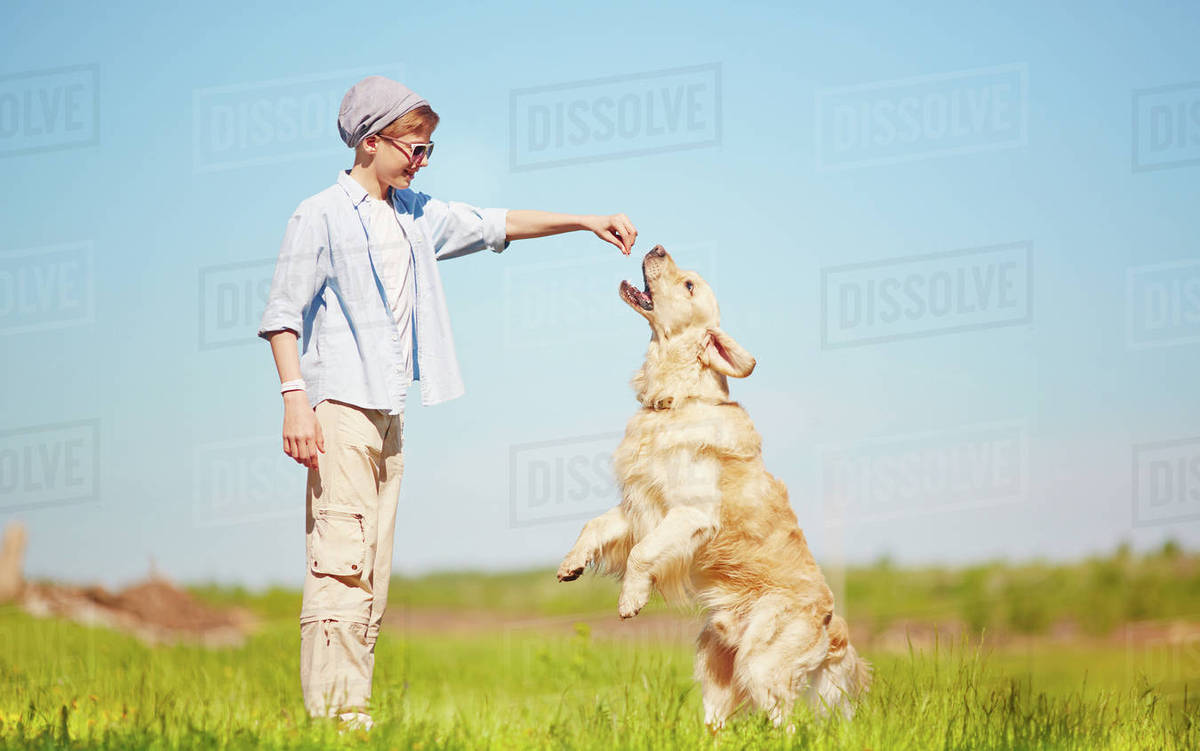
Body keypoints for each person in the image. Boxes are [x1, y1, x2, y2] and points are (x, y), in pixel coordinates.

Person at [256, 75, 637, 732]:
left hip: (389, 414)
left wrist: (584, 220)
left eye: (429, 149)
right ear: (370, 140)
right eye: (414, 147)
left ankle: (355, 712)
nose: (421, 160)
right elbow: (282, 315)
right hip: (337, 410)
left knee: (371, 564)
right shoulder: (317, 213)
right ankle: (335, 716)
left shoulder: (414, 215)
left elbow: (497, 222)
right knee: (338, 561)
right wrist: (295, 400)